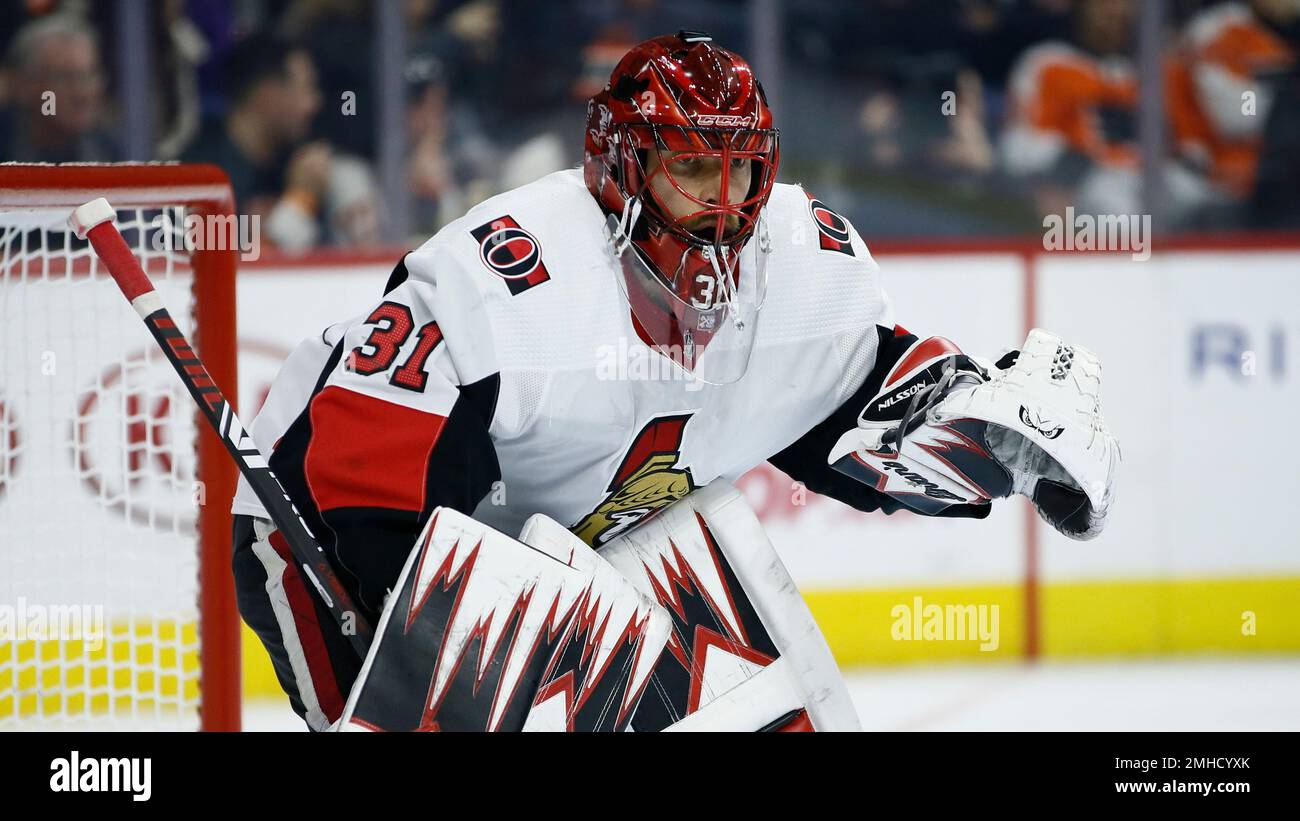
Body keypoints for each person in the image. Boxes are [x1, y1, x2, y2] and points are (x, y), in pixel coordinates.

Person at [229, 31, 1117, 730]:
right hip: (320, 520)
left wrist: (995, 439)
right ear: (621, 168)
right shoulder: (512, 279)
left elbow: (869, 417)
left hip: (569, 544)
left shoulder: (795, 268)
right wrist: (424, 653)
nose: (725, 203)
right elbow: (355, 459)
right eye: (691, 167)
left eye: (742, 171)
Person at [0, 14, 118, 163]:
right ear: (26, 86)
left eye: (89, 76)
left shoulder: (113, 153)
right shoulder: (6, 146)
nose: (82, 92)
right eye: (66, 78)